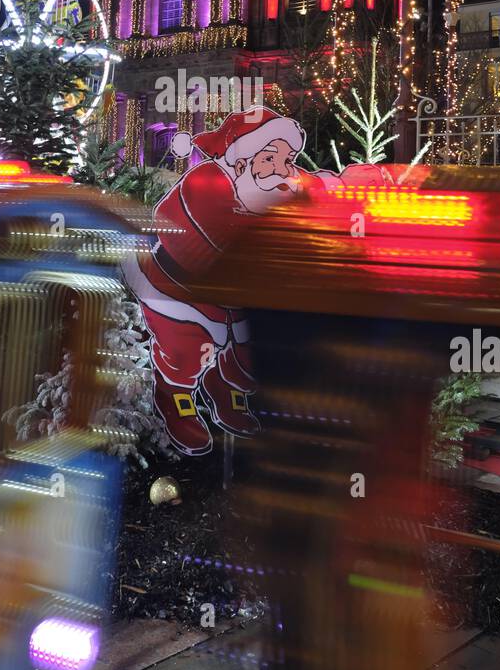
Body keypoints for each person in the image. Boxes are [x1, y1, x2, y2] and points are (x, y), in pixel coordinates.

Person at [125, 107, 390, 454]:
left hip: (233, 293)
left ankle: (227, 391)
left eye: (288, 159)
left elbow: (321, 189)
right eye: (271, 158)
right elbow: (220, 243)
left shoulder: (280, 182)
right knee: (186, 351)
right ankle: (176, 399)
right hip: (177, 288)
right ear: (240, 162)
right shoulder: (205, 184)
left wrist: (350, 185)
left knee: (247, 351)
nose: (283, 169)